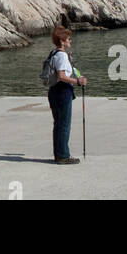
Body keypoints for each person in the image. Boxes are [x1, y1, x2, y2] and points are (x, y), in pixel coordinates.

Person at [46, 26, 86, 165]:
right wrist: (78, 81)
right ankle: (63, 156)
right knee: (64, 124)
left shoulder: (53, 53)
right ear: (62, 41)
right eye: (69, 39)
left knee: (58, 124)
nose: (71, 41)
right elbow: (62, 76)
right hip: (62, 91)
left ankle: (59, 154)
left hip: (54, 91)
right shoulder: (62, 55)